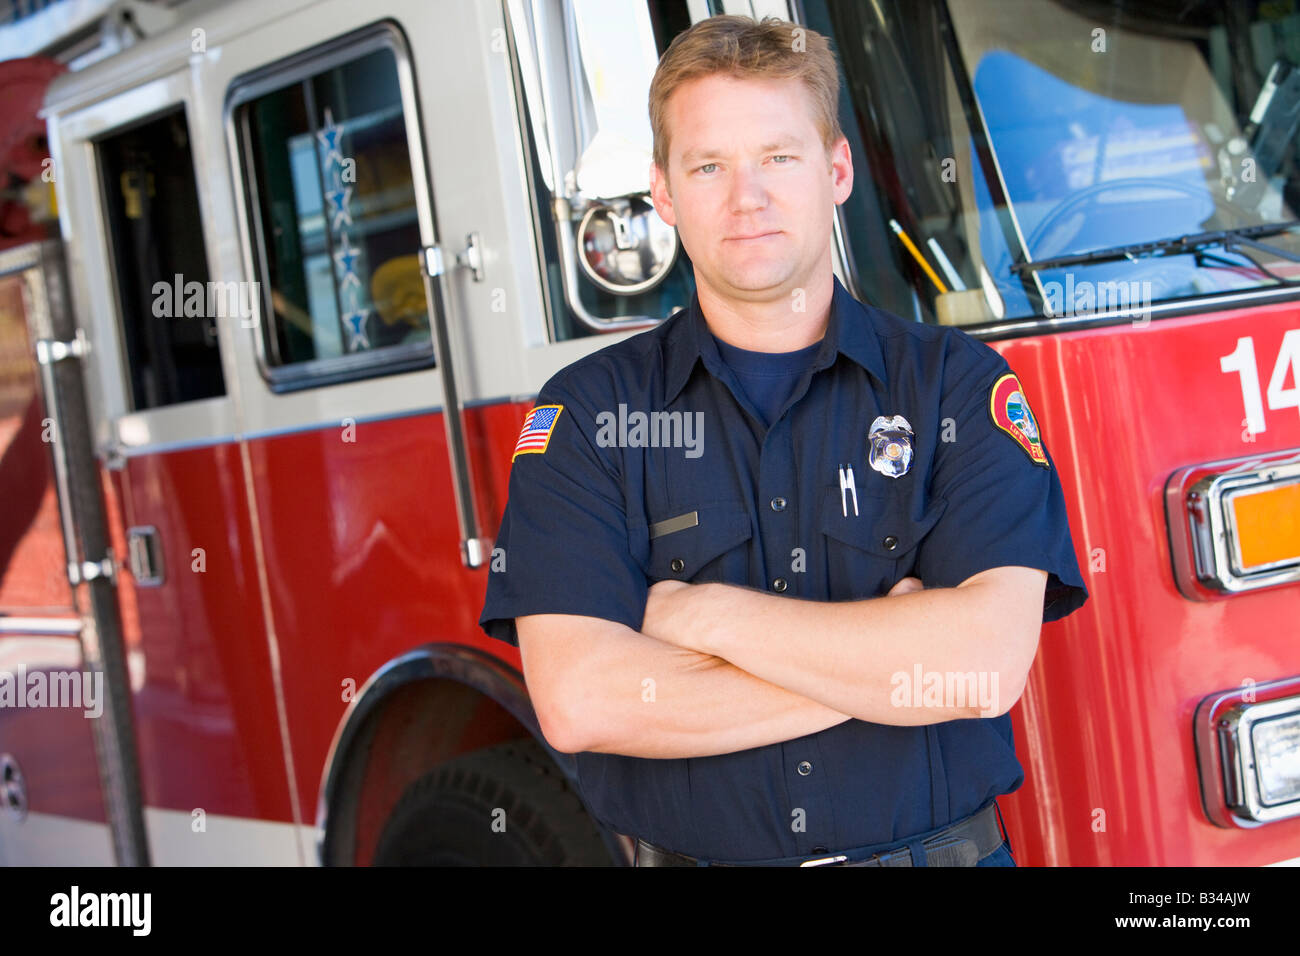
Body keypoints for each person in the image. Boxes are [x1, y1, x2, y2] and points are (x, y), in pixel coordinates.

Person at [479, 14, 1088, 867]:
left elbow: (981, 668)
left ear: (836, 169)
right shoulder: (588, 416)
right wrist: (887, 660)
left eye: (778, 157)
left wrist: (700, 615)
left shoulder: (958, 386)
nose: (747, 197)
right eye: (709, 166)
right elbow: (583, 702)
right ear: (663, 192)